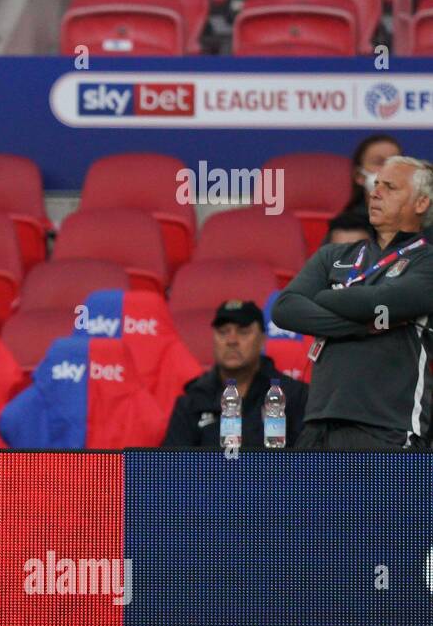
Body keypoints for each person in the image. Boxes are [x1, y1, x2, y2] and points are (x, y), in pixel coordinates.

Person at [273, 156, 433, 449]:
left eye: (390, 187)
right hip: (319, 423)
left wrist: (326, 295)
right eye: (376, 185)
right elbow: (285, 309)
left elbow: (379, 303)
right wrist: (362, 326)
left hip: (387, 429)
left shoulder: (426, 262)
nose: (376, 192)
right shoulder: (333, 255)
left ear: (420, 204)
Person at [163, 300, 307, 449]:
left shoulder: (294, 396)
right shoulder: (192, 401)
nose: (232, 340)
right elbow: (173, 467)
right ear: (213, 339)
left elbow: (309, 463)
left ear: (262, 340)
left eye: (243, 331)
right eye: (223, 332)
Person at [338, 134, 401, 223]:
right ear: (359, 176)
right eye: (379, 162)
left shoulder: (418, 221)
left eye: (396, 162)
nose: (389, 168)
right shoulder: (347, 225)